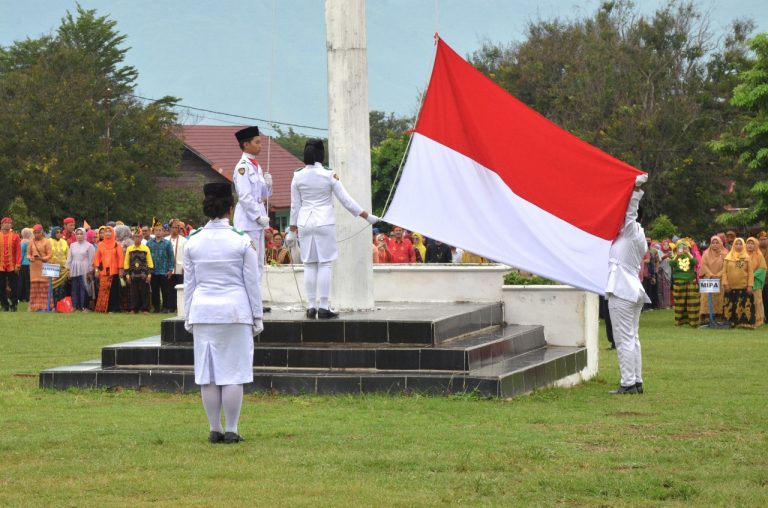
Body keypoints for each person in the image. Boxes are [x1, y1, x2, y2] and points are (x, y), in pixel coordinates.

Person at [184, 182, 264, 444]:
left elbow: (190, 284)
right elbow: (252, 283)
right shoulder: (241, 240)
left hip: (203, 311)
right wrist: (257, 315)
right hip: (234, 312)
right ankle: (231, 429)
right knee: (234, 372)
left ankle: (214, 428)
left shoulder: (193, 241)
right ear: (231, 208)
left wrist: (188, 315)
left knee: (207, 374)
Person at [287, 139, 378, 319]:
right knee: (325, 264)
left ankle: (311, 306)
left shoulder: (297, 175)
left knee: (309, 264)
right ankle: (323, 306)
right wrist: (367, 216)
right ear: (321, 153)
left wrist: (291, 231)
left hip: (304, 223)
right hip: (324, 222)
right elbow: (346, 200)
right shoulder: (328, 174)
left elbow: (294, 206)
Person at [605, 175, 649, 395]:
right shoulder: (630, 235)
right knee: (633, 337)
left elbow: (631, 212)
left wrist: (636, 189)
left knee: (623, 339)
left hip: (622, 290)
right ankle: (636, 381)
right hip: (631, 290)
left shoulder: (633, 232)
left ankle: (628, 382)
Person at [232, 126, 273, 312]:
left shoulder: (256, 165)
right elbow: (245, 196)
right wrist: (257, 216)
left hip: (258, 222)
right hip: (248, 222)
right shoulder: (242, 167)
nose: (260, 145)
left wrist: (268, 185)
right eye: (257, 142)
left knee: (258, 264)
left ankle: (256, 302)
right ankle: (249, 303)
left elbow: (263, 195)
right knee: (249, 264)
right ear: (246, 144)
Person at [721, 238, 755, 329]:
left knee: (743, 305)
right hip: (730, 288)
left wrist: (750, 286)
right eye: (736, 244)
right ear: (733, 245)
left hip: (744, 288)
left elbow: (750, 273)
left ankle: (744, 323)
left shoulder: (747, 258)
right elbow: (724, 272)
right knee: (730, 306)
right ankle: (730, 323)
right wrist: (725, 284)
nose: (738, 246)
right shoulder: (728, 257)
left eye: (740, 244)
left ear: (743, 245)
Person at [93, 226, 124, 313]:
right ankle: (103, 308)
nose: (107, 233)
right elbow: (97, 258)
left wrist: (121, 269)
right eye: (106, 232)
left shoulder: (116, 244)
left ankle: (113, 308)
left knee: (113, 290)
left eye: (109, 231)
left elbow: (121, 257)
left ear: (113, 233)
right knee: (103, 290)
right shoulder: (101, 245)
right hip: (103, 271)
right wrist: (96, 270)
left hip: (114, 271)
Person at [669, 239, 698, 327]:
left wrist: (688, 253)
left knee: (692, 302)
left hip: (691, 281)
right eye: (680, 247)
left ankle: (693, 322)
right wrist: (677, 256)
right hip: (679, 281)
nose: (683, 249)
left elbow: (695, 262)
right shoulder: (675, 256)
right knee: (679, 303)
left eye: (685, 247)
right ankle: (679, 322)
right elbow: (671, 264)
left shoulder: (691, 256)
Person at [124, 229, 153, 314]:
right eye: (136, 237)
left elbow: (150, 262)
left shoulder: (146, 248)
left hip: (143, 274)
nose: (137, 238)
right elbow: (126, 263)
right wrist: (127, 275)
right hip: (133, 274)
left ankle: (145, 309)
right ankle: (134, 309)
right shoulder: (129, 249)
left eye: (139, 237)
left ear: (142, 237)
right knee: (133, 293)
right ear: (133, 238)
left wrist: (149, 275)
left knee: (145, 292)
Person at [698, 235, 726, 324]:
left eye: (717, 243)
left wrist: (718, 275)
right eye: (713, 243)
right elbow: (704, 265)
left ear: (721, 243)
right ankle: (706, 317)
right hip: (708, 279)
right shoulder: (706, 254)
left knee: (719, 298)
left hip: (720, 279)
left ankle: (718, 316)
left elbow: (726, 266)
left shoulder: (725, 254)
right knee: (706, 298)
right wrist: (711, 275)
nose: (715, 245)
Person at [66, 228, 95, 312]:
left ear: (84, 235)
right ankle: (76, 306)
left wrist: (90, 271)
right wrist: (69, 270)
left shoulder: (89, 246)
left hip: (85, 269)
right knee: (74, 287)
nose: (79, 236)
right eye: (77, 234)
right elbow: (69, 258)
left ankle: (84, 306)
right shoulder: (72, 245)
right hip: (74, 268)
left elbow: (91, 260)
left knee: (84, 287)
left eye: (81, 234)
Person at [147, 225, 174, 313]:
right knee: (155, 290)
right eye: (156, 230)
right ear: (153, 232)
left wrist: (170, 269)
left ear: (163, 231)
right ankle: (156, 307)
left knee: (165, 290)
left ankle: (166, 307)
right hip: (153, 270)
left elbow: (171, 257)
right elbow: (147, 257)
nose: (158, 232)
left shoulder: (167, 243)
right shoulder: (149, 243)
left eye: (160, 230)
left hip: (164, 270)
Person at [27, 224, 52, 312]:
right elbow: (28, 253)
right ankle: (34, 306)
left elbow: (50, 254)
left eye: (38, 232)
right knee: (35, 286)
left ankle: (45, 306)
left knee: (44, 286)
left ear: (42, 232)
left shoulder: (47, 241)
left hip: (43, 266)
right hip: (34, 266)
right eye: (35, 233)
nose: (37, 234)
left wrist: (42, 258)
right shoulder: (31, 241)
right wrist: (30, 258)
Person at [0, 217, 22, 312]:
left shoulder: (15, 236)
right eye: (6, 223)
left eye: (9, 223)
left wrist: (18, 265)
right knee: (1, 286)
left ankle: (14, 304)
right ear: (2, 224)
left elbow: (18, 251)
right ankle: (4, 304)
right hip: (0, 266)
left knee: (14, 286)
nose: (7, 224)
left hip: (12, 266)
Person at [167, 219, 187, 312]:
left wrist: (185, 267)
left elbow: (186, 255)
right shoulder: (166, 240)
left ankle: (180, 307)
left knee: (179, 288)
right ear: (170, 228)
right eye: (173, 227)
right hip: (168, 269)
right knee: (169, 289)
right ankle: (171, 307)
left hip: (180, 268)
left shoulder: (184, 240)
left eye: (176, 227)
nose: (175, 229)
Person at [746, 237, 766, 327]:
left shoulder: (759, 255)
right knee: (747, 302)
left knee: (757, 302)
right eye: (748, 243)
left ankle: (759, 320)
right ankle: (748, 320)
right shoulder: (743, 255)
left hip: (755, 282)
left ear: (756, 245)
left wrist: (752, 275)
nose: (750, 245)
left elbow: (762, 268)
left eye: (752, 243)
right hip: (745, 282)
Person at [48, 226, 70, 306]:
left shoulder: (64, 242)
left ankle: (61, 305)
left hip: (63, 270)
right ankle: (52, 305)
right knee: (53, 288)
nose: (59, 234)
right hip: (52, 268)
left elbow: (68, 255)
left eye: (60, 232)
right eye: (57, 232)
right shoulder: (48, 241)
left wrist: (67, 267)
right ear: (53, 233)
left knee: (62, 288)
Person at [17, 227, 32, 303]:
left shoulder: (22, 242)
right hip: (30, 264)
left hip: (23, 264)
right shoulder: (31, 242)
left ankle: (21, 296)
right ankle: (28, 296)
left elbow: (21, 254)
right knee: (28, 281)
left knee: (21, 281)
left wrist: (19, 264)